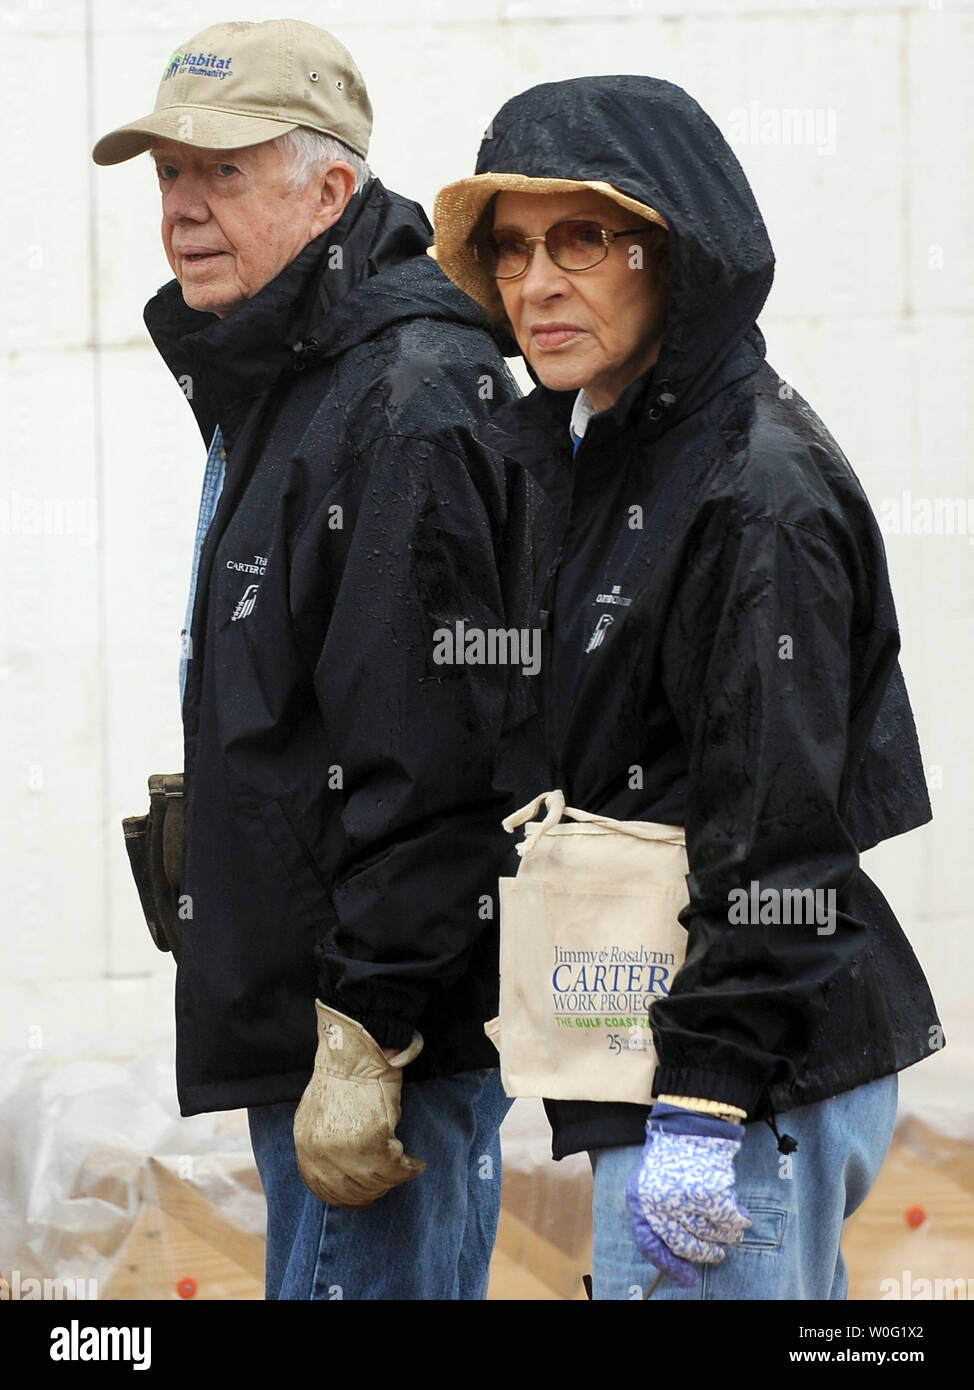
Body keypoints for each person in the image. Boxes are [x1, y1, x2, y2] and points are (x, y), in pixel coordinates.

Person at [432, 75, 942, 1300]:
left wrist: (703, 1103)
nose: (535, 283)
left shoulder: (752, 488)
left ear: (673, 253)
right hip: (670, 1057)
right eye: (510, 247)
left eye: (582, 239)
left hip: (741, 1082)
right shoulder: (605, 452)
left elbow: (781, 834)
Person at [94, 18, 529, 1300]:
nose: (181, 210)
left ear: (331, 188)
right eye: (169, 173)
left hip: (377, 1044)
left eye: (221, 173)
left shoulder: (404, 395)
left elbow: (432, 754)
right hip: (317, 1012)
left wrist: (367, 1030)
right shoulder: (292, 373)